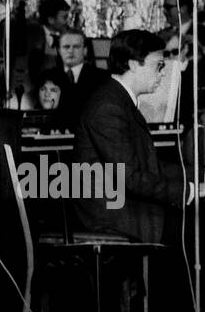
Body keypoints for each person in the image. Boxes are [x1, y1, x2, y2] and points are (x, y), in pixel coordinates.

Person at [71, 29, 187, 245]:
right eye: (158, 65)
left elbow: (146, 165)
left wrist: (201, 174)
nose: (163, 73)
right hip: (112, 215)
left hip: (123, 206)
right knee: (194, 228)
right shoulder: (108, 106)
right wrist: (188, 191)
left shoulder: (118, 99)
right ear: (133, 64)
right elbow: (131, 178)